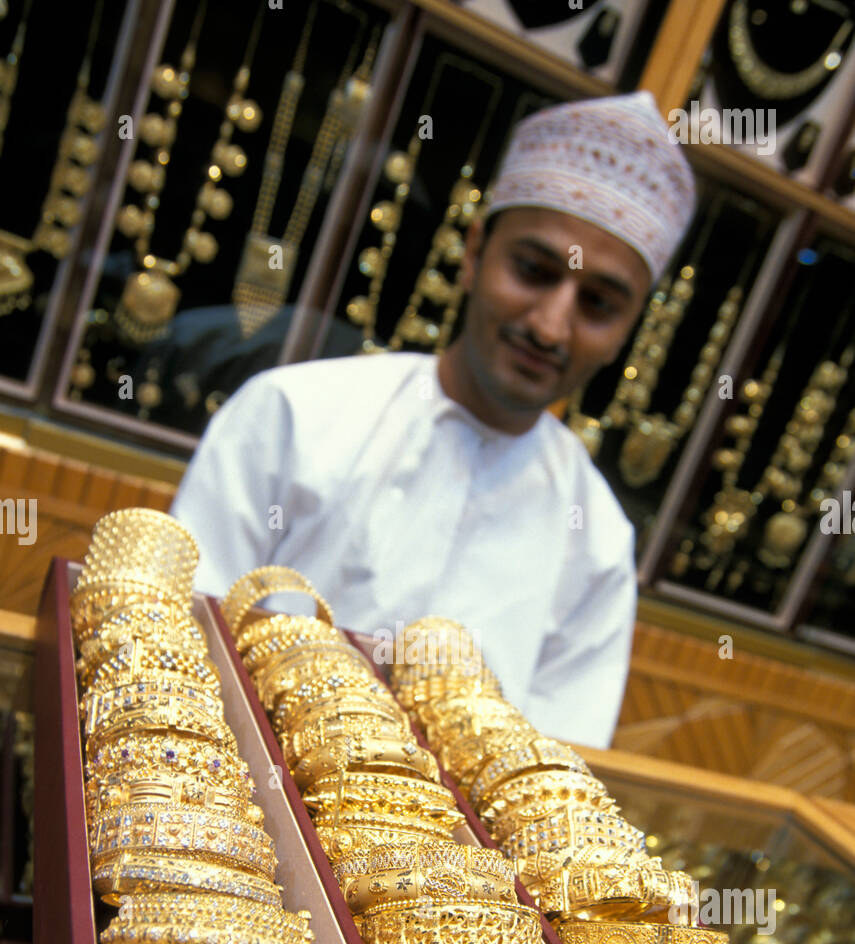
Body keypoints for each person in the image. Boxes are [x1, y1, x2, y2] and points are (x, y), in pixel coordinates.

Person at [171, 90, 695, 746]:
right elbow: (176, 647)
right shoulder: (292, 415)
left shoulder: (595, 542)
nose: (550, 325)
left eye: (597, 303)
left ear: (626, 331)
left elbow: (563, 763)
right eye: (532, 271)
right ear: (475, 252)